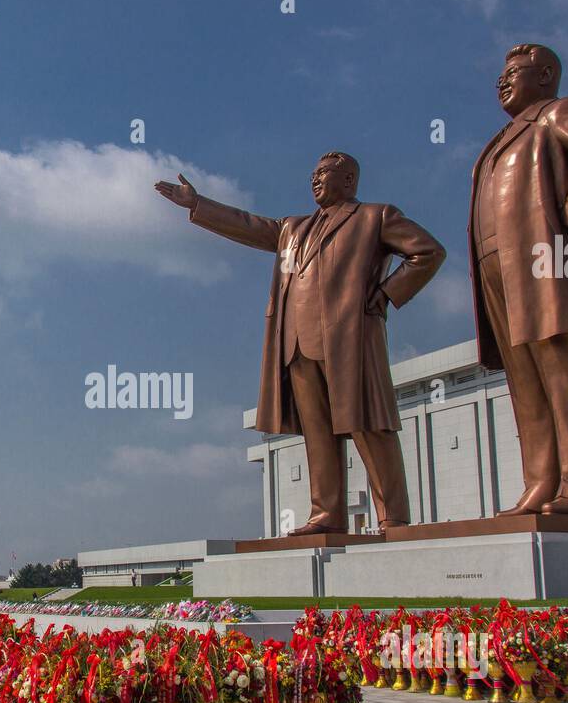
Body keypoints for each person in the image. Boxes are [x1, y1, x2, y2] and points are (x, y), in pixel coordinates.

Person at [156, 152, 445, 533]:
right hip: (296, 344)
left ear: (349, 180)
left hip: (348, 340)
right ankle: (326, 513)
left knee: (369, 425)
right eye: (313, 174)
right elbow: (250, 226)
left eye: (324, 173)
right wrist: (198, 204)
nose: (315, 180)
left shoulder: (375, 217)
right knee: (318, 434)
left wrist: (386, 293)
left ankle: (392, 516)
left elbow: (427, 251)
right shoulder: (293, 228)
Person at [467, 43, 568, 517]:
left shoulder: (561, 111)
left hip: (548, 257)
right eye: (501, 74)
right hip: (500, 269)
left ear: (544, 77)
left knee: (567, 369)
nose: (502, 81)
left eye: (515, 72)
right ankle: (542, 481)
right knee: (527, 381)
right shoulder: (501, 139)